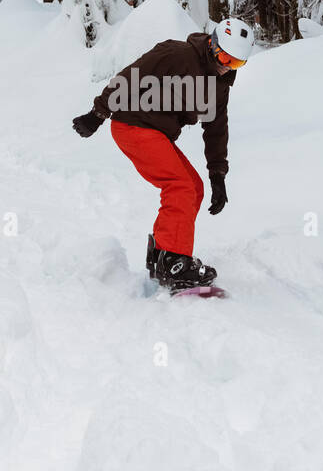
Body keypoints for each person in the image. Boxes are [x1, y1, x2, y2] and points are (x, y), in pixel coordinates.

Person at [71, 18, 254, 289]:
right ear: (213, 44)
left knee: (194, 186)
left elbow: (216, 128)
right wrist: (98, 114)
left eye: (236, 63)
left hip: (156, 133)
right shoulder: (177, 54)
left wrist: (217, 173)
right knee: (179, 186)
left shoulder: (219, 86)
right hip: (132, 123)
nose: (226, 65)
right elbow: (131, 76)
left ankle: (161, 254)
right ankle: (174, 261)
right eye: (224, 56)